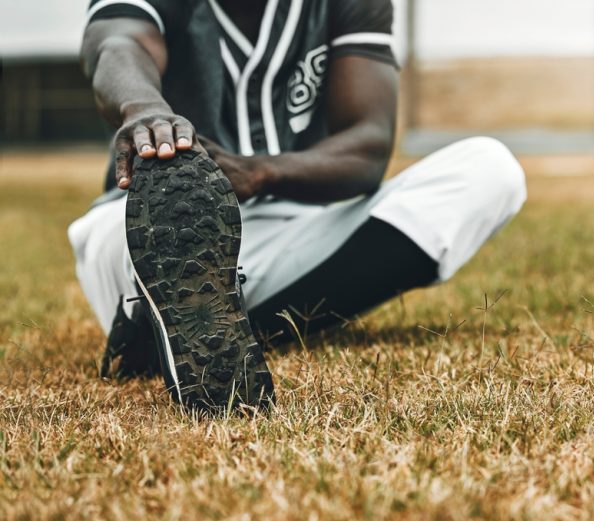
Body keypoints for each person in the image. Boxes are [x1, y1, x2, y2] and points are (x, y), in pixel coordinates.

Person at [68, 0, 528, 411]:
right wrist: (145, 110)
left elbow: (368, 145)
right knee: (162, 247)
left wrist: (260, 173)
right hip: (141, 236)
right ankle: (167, 308)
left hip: (290, 231)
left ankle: (177, 329)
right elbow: (117, 44)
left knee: (490, 169)